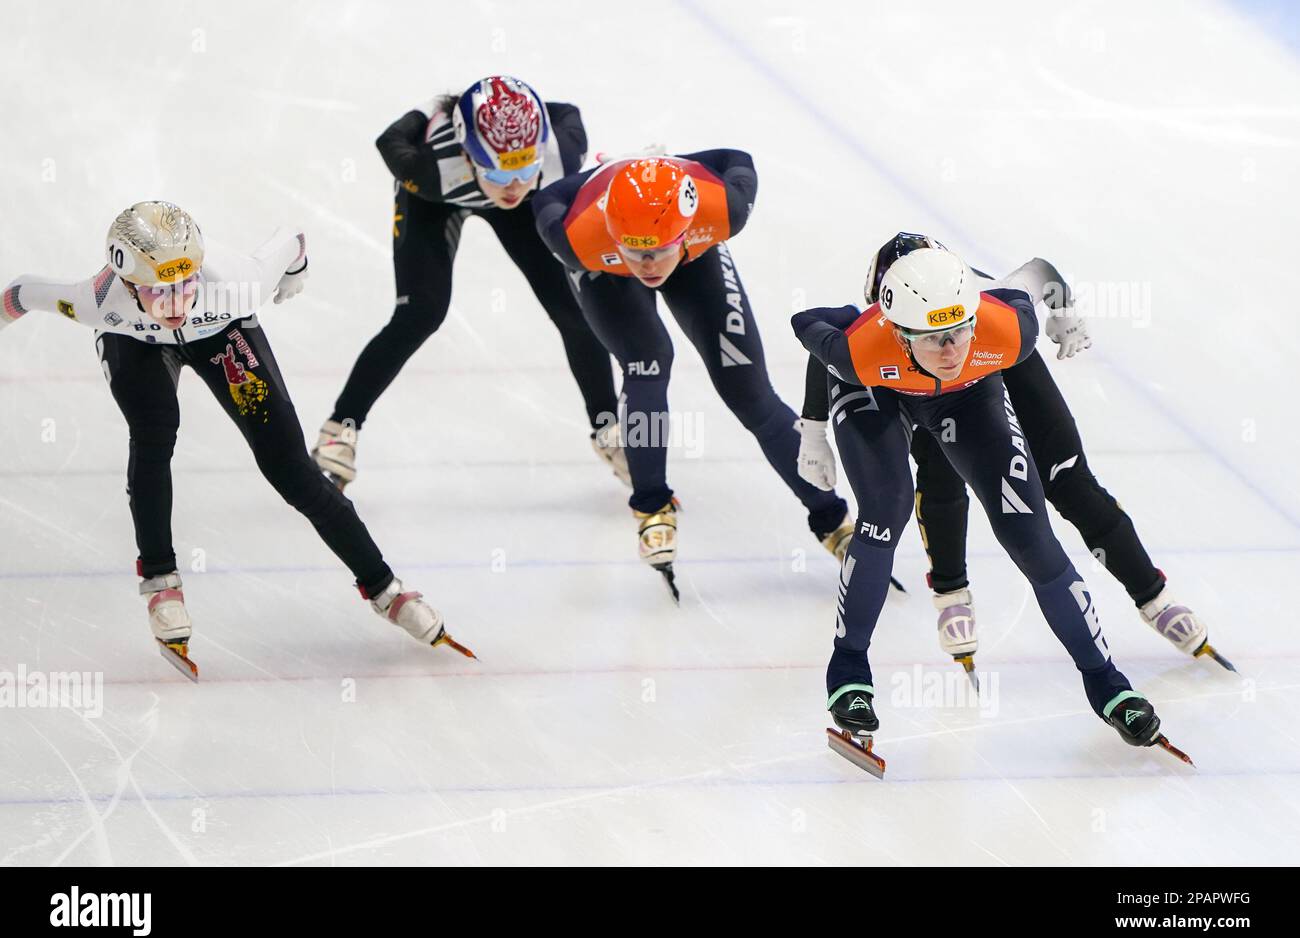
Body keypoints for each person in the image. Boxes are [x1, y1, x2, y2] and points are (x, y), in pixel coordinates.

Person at [2, 201, 472, 678]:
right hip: (134, 345)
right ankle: (161, 582)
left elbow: (293, 235)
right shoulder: (96, 301)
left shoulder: (237, 285)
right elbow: (22, 294)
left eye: (185, 284)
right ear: (125, 283)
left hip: (221, 332)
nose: (174, 304)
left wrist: (294, 270)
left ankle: (384, 587)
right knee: (153, 435)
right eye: (157, 291)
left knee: (291, 470)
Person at [792, 245, 1189, 775]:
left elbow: (1040, 275)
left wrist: (1066, 313)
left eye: (960, 330)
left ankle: (1106, 681)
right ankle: (848, 670)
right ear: (899, 329)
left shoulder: (1006, 327)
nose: (951, 347)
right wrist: (812, 431)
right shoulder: (859, 347)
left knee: (1030, 538)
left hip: (964, 396)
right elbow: (808, 326)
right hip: (877, 390)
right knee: (884, 513)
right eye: (934, 338)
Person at [533, 153, 852, 600]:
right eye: (637, 252)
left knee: (751, 395)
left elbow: (735, 159)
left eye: (657, 251)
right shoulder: (576, 238)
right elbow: (546, 198)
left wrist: (671, 164)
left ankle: (832, 518)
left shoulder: (723, 210)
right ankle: (651, 506)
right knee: (647, 361)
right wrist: (604, 179)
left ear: (684, 230)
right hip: (603, 267)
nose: (647, 265)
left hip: (694, 257)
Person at [312, 75, 625, 490]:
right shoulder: (427, 169)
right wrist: (432, 108)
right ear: (467, 151)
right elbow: (389, 139)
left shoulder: (559, 153)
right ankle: (340, 428)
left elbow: (565, 113)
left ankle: (608, 430)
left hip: (511, 204)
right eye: (499, 173)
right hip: (435, 204)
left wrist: (517, 118)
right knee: (420, 313)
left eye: (525, 170)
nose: (513, 186)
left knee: (574, 309)